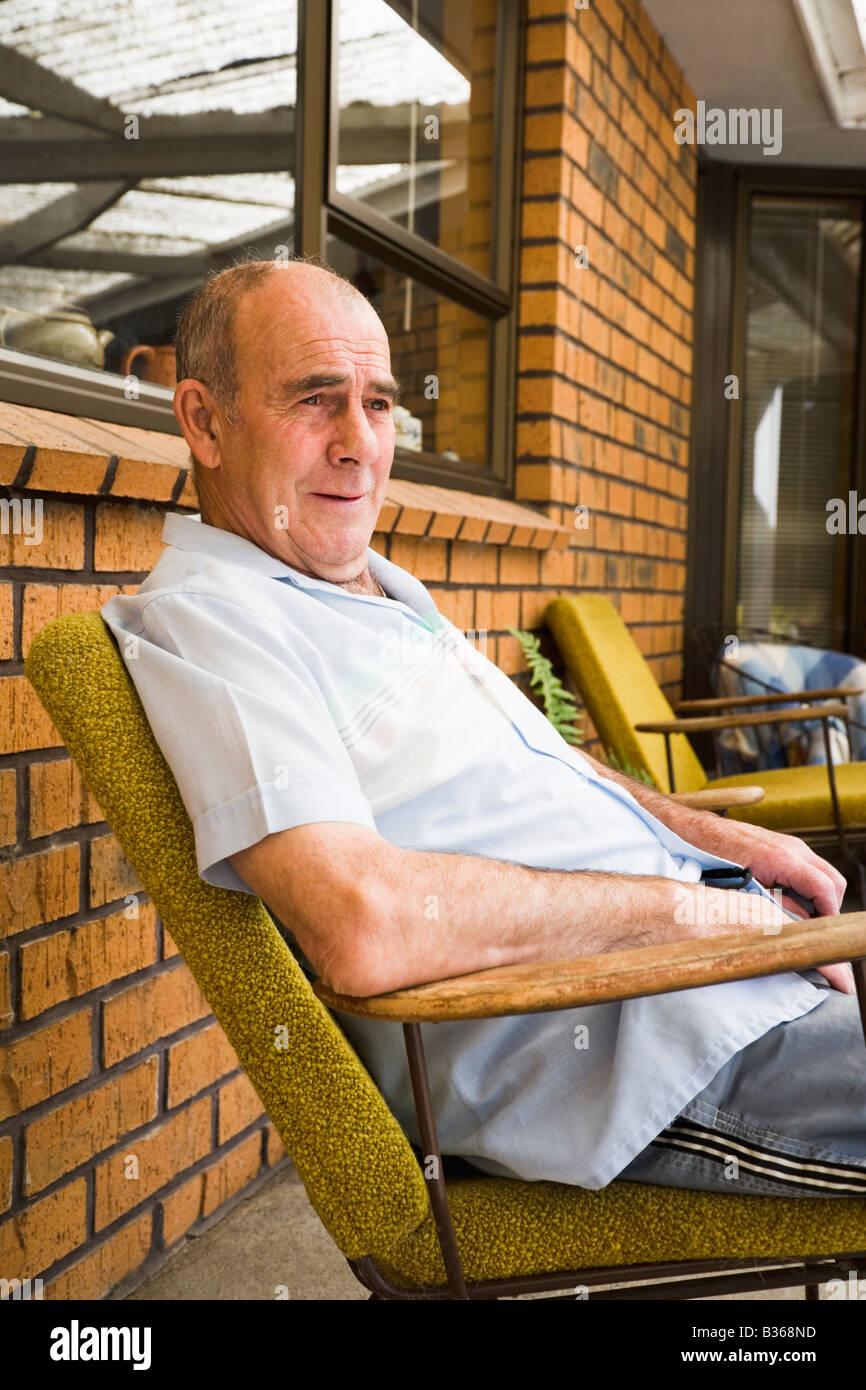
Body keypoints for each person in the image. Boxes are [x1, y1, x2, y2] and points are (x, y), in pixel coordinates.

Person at [101, 258, 866, 1199]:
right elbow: (363, 926)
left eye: (378, 405)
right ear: (203, 422)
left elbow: (535, 764)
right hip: (638, 1053)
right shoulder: (215, 622)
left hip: (717, 966)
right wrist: (690, 913)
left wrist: (708, 839)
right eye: (314, 400)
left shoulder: (368, 585)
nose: (359, 444)